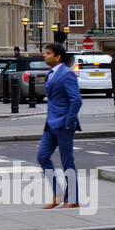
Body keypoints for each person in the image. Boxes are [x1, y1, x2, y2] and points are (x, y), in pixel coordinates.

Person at [38, 42, 83, 208]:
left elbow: (76, 100)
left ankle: (73, 199)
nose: (45, 55)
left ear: (57, 57)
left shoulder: (67, 74)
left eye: (48, 53)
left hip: (63, 124)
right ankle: (58, 194)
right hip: (50, 124)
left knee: (67, 161)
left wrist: (68, 121)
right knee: (42, 156)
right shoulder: (51, 73)